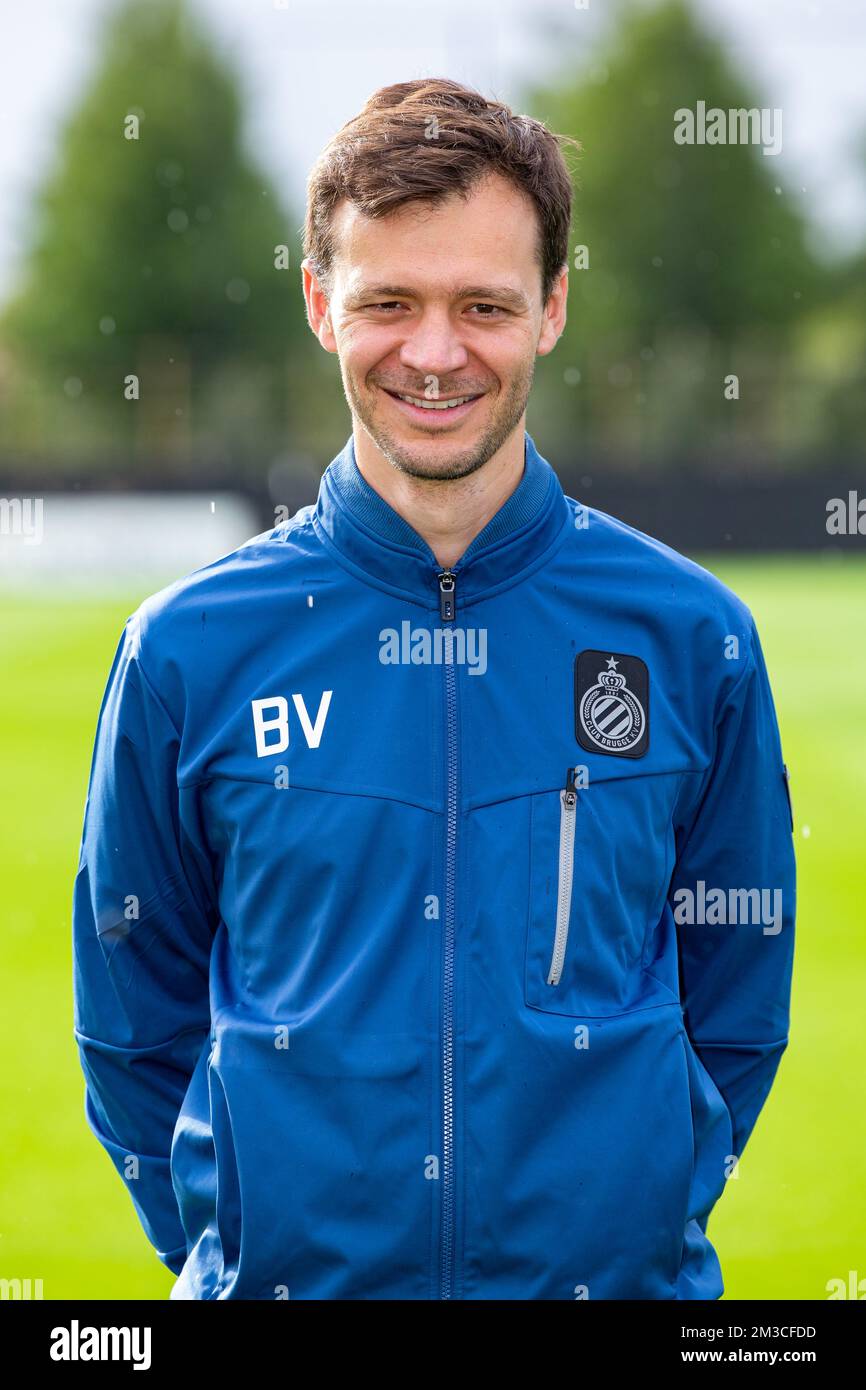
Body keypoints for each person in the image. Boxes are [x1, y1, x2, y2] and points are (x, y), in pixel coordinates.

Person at [72, 77, 796, 1300]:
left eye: (484, 305)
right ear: (318, 303)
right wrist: (238, 1240)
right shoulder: (185, 649)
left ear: (553, 307)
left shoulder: (691, 637)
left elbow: (736, 1003)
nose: (434, 352)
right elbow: (130, 1026)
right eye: (387, 302)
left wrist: (620, 1222)